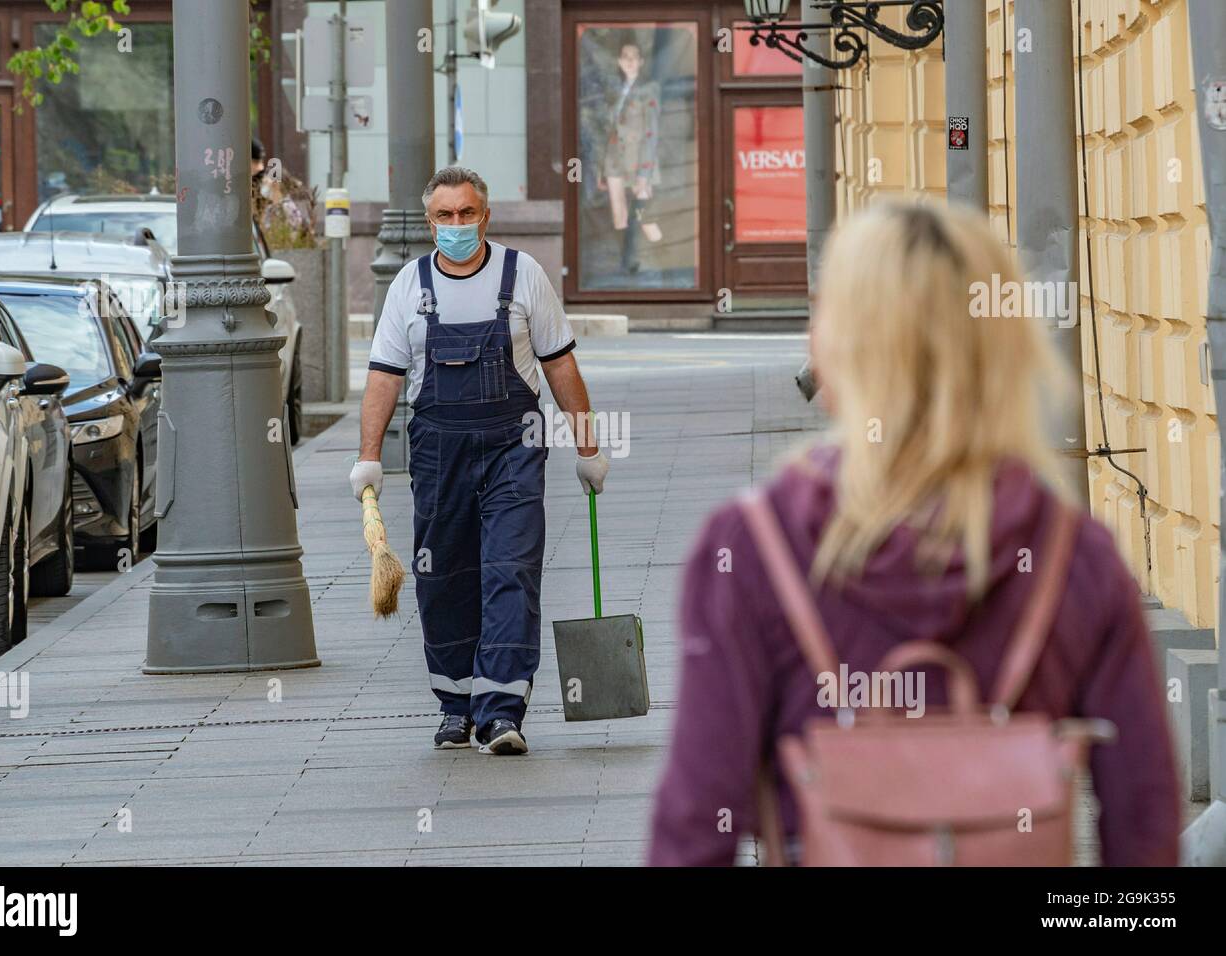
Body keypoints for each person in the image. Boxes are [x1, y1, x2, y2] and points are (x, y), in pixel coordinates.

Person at [648, 201, 1179, 866]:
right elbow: (1144, 822)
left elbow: (697, 824)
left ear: (839, 348)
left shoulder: (754, 548)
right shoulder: (1074, 556)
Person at [351, 166, 610, 755]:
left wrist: (588, 447)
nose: (457, 225)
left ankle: (500, 712)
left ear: (485, 216)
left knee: (510, 571)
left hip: (512, 447)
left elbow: (560, 365)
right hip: (438, 452)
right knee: (441, 577)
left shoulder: (523, 276)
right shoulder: (408, 287)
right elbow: (384, 379)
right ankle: (455, 703)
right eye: (445, 216)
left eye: (467, 214)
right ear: (429, 223)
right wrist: (368, 460)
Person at [595, 39, 662, 275]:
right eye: (625, 57)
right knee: (620, 217)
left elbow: (651, 132)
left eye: (634, 57)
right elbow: (609, 132)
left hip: (638, 162)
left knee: (643, 214)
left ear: (641, 62)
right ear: (619, 61)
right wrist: (602, 172)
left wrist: (644, 172)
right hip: (614, 163)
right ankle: (627, 261)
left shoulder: (649, 90)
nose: (630, 62)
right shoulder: (617, 92)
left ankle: (656, 255)